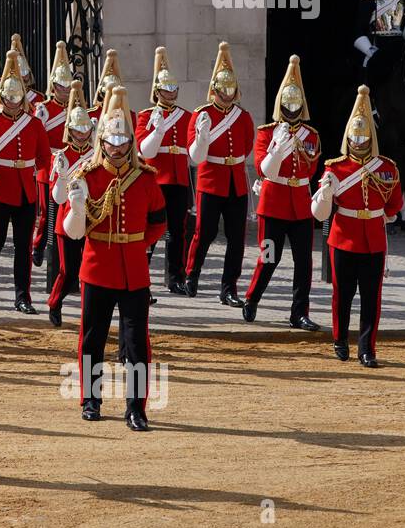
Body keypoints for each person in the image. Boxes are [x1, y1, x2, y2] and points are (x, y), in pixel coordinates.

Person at [62, 86, 166, 431]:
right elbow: (73, 228)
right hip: (97, 266)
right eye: (112, 142)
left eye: (123, 143)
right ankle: (91, 399)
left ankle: (136, 407)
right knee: (93, 337)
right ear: (102, 142)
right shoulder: (87, 176)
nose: (118, 149)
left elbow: (158, 222)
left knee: (137, 343)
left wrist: (136, 244)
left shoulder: (146, 178)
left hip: (134, 270)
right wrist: (77, 208)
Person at [311, 86, 402, 368]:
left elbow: (394, 205)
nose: (359, 143)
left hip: (373, 239)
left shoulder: (386, 168)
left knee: (371, 299)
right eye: (355, 138)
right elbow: (320, 213)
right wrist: (326, 193)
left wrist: (383, 215)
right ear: (348, 138)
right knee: (343, 295)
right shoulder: (334, 169)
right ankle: (340, 340)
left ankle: (367, 349)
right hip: (343, 237)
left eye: (363, 139)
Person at [0, 48, 51, 312]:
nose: (14, 103)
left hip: (26, 192)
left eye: (17, 98)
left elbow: (43, 158)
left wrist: (26, 168)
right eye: (10, 98)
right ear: (2, 98)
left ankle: (22, 296)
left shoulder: (33, 124)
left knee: (23, 248)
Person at [244, 55, 321, 328]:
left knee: (304, 263)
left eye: (295, 104)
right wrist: (278, 148)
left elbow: (309, 171)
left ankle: (299, 313)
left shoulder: (310, 136)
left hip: (300, 204)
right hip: (274, 204)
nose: (291, 109)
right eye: (287, 104)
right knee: (269, 258)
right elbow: (264, 169)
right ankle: (252, 297)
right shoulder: (266, 134)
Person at [184, 41, 255, 307]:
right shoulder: (201, 115)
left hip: (236, 182)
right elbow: (194, 153)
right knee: (205, 233)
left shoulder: (243, 115)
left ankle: (229, 288)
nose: (227, 94)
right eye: (222, 89)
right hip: (211, 179)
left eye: (230, 89)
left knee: (237, 239)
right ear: (214, 90)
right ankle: (192, 274)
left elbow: (247, 146)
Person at [136, 47, 193, 295]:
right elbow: (143, 150)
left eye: (173, 89)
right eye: (166, 89)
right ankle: (141, 276)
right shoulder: (145, 116)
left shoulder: (186, 116)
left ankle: (175, 277)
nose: (170, 94)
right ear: (157, 91)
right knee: (149, 230)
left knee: (177, 232)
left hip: (179, 178)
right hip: (156, 179)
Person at [46, 79, 94, 327]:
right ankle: (55, 302)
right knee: (68, 270)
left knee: (90, 270)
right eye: (78, 130)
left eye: (86, 130)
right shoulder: (62, 156)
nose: (82, 134)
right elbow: (58, 197)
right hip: (67, 220)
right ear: (71, 131)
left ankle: (89, 313)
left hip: (93, 218)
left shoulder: (97, 153)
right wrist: (63, 174)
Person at [33, 40, 75, 268]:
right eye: (62, 87)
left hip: (68, 162)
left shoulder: (74, 108)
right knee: (45, 212)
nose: (66, 91)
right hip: (48, 163)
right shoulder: (43, 109)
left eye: (68, 87)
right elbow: (36, 136)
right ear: (53, 86)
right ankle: (39, 245)